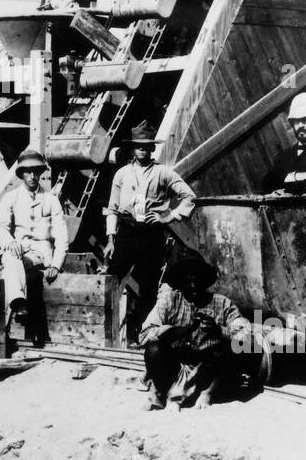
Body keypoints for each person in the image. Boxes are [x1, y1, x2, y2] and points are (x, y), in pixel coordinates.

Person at [103, 123, 196, 341]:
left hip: (151, 234)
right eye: (138, 146)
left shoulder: (163, 173)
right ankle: (106, 332)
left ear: (152, 149)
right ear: (133, 148)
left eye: (146, 146)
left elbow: (189, 196)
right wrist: (110, 238)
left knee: (148, 285)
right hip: (126, 232)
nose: (142, 150)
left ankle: (142, 335)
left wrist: (168, 216)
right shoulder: (122, 174)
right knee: (112, 278)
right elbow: (112, 208)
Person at [139, 254, 262, 410]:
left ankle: (208, 394)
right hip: (178, 364)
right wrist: (182, 331)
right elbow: (145, 334)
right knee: (153, 349)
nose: (193, 285)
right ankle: (163, 393)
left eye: (197, 279)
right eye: (187, 281)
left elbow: (246, 336)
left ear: (205, 280)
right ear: (180, 282)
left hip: (209, 368)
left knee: (233, 348)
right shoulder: (169, 300)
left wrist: (219, 331)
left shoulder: (221, 302)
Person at [0, 148, 69, 332]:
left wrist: (56, 265)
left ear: (41, 173)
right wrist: (10, 242)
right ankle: (19, 304)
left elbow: (61, 236)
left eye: (36, 171)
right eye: (27, 171)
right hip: (17, 248)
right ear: (21, 174)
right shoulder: (11, 197)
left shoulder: (51, 200)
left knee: (12, 264)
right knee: (11, 258)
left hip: (39, 254)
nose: (32, 176)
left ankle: (18, 304)